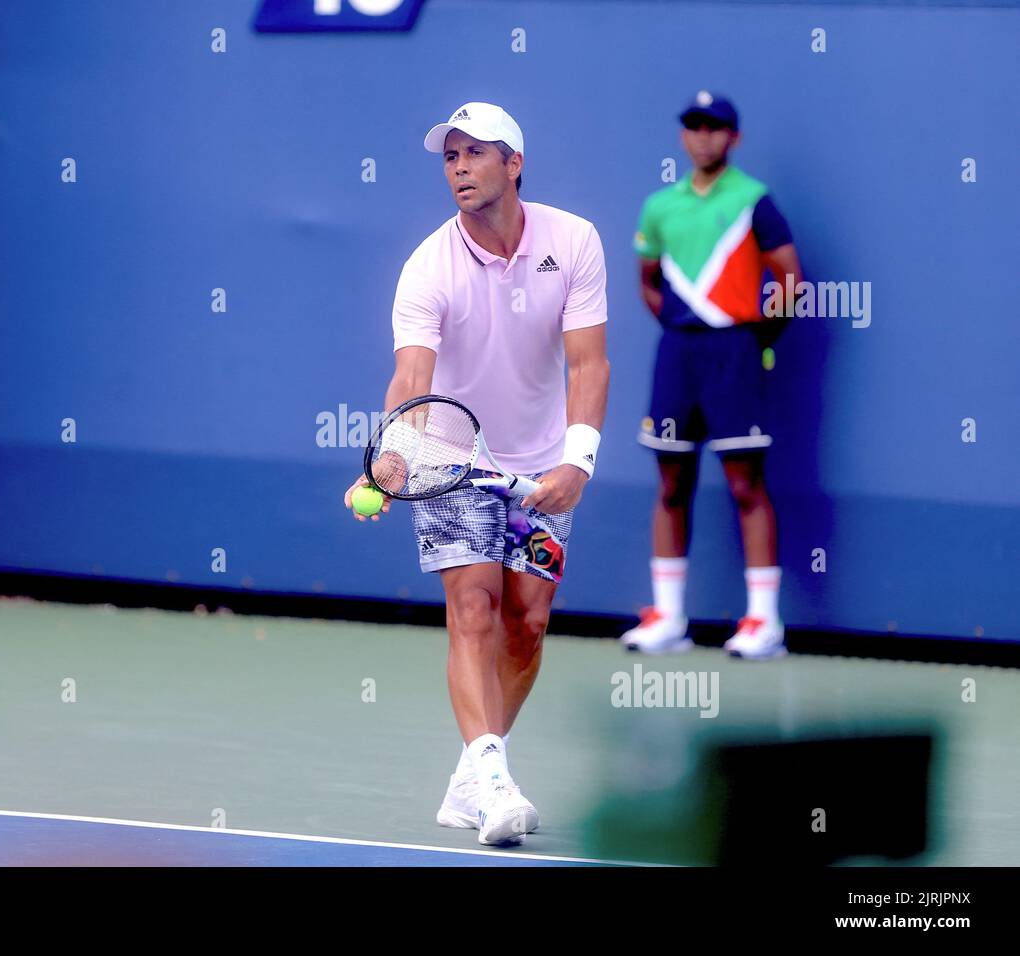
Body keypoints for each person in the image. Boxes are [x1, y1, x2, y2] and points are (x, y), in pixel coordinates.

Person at [343, 102, 610, 845]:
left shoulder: (574, 241)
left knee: (527, 622)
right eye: (449, 156)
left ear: (513, 163)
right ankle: (493, 782)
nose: (458, 166)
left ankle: (473, 774)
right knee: (476, 611)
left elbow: (589, 362)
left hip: (540, 466)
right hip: (453, 462)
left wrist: (577, 463)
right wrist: (398, 451)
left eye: (474, 153)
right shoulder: (427, 265)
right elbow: (411, 378)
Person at [624, 91, 802, 660]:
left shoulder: (755, 201)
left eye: (715, 127)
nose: (704, 136)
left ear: (734, 138)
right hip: (678, 357)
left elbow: (790, 280)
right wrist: (683, 326)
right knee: (671, 484)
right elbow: (648, 279)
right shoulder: (659, 206)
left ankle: (763, 622)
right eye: (695, 127)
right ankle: (670, 617)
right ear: (684, 137)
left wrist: (755, 339)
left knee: (746, 486)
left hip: (736, 355)